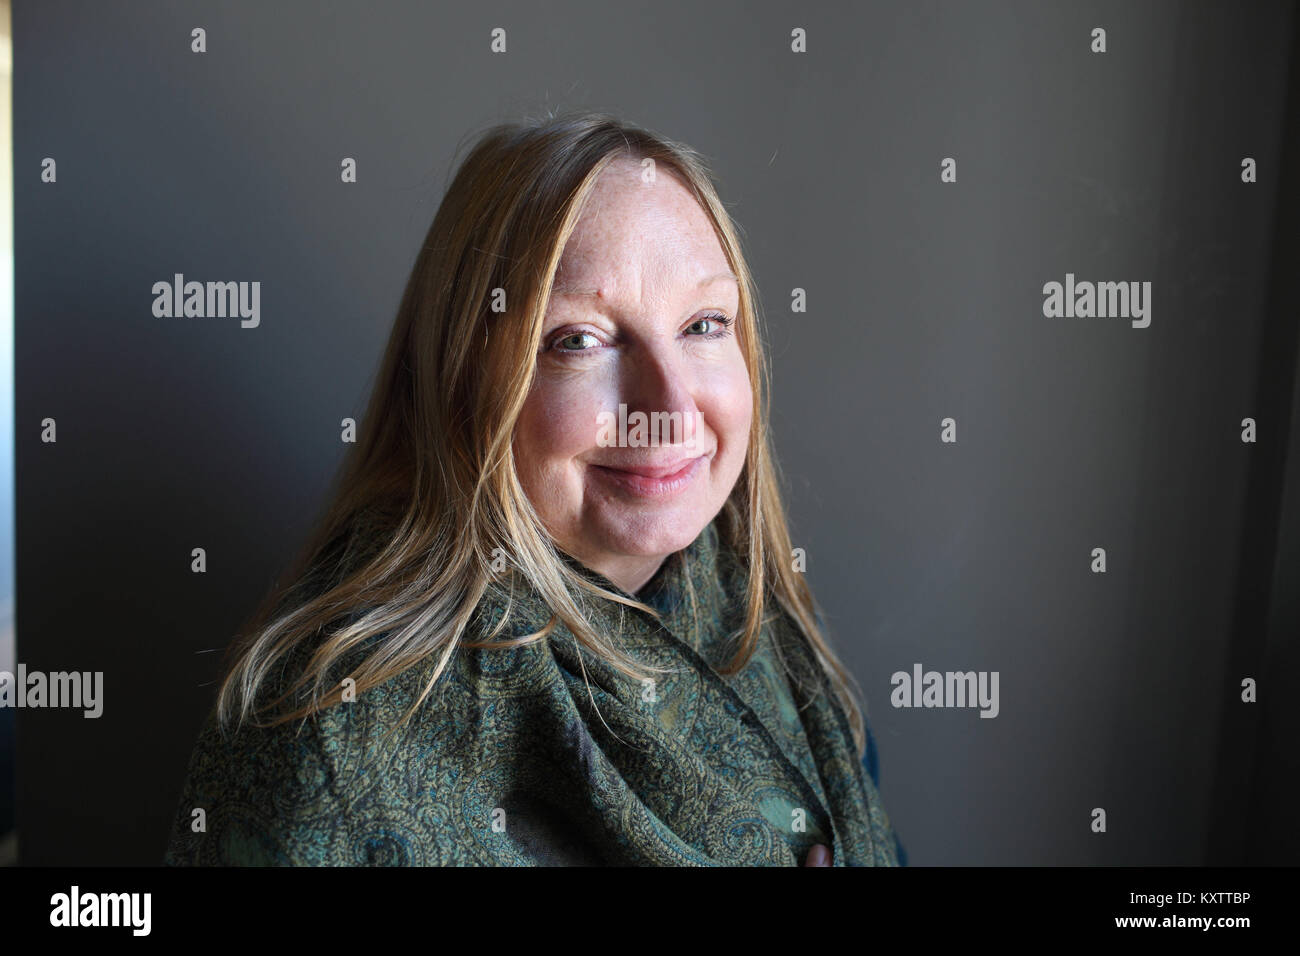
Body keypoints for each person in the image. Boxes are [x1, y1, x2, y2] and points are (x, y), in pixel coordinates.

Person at [163, 110, 906, 866]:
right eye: (579, 340)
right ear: (464, 380)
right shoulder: (334, 738)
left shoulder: (770, 633)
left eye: (705, 324)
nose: (672, 408)